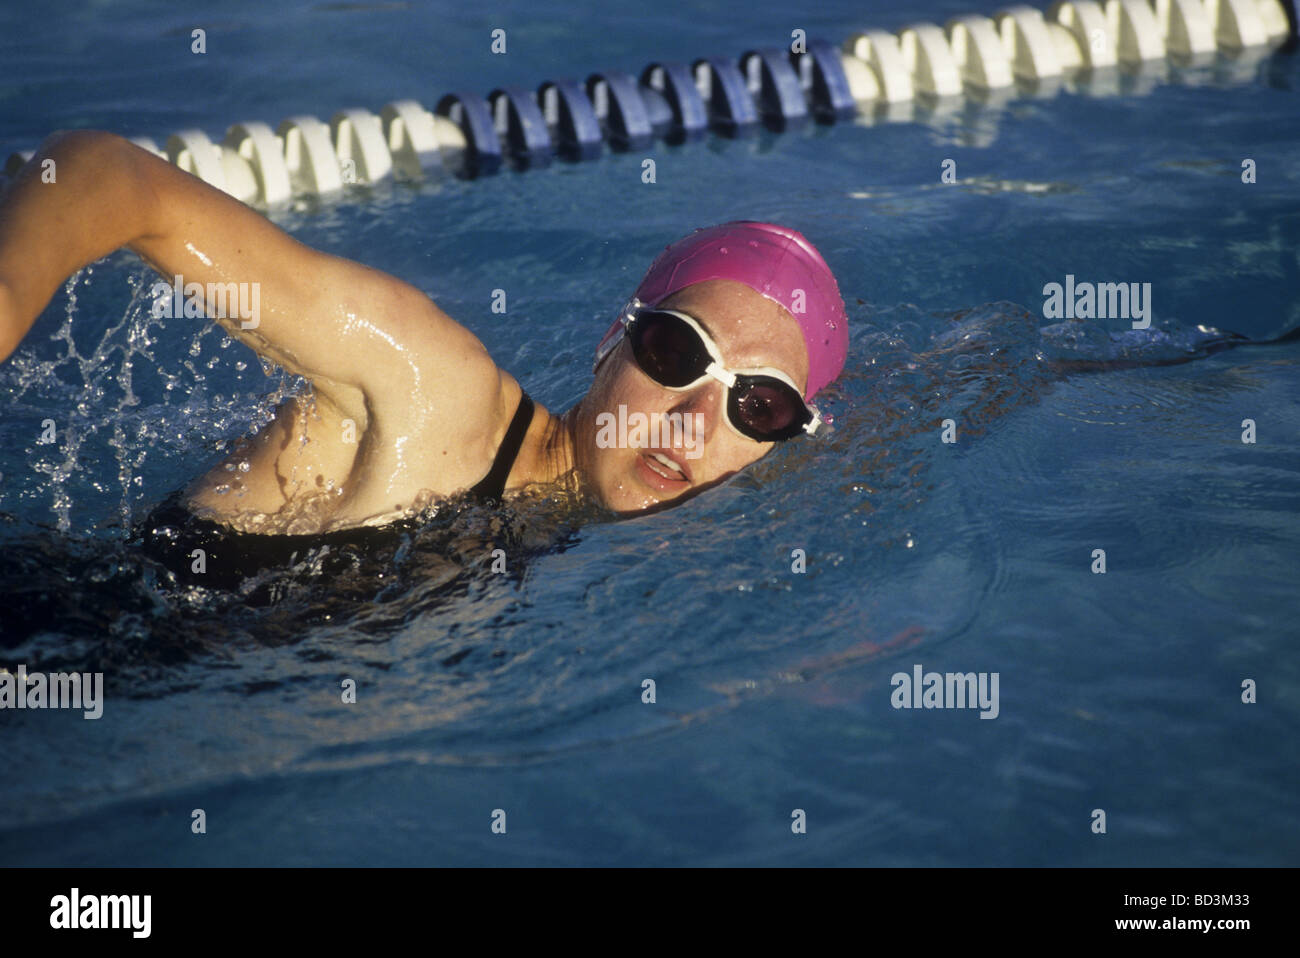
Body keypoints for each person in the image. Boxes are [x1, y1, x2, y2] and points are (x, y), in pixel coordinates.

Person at [0, 131, 848, 537]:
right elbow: (115, 179)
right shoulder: (433, 390)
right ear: (612, 340)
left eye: (760, 406)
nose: (695, 422)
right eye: (679, 353)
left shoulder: (571, 535)